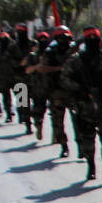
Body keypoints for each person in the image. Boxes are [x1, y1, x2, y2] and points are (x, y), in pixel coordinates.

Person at [61, 26, 102, 185]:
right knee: (90, 137)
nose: (93, 42)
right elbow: (65, 79)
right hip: (86, 104)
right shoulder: (77, 60)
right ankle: (92, 167)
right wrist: (81, 89)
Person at [40, 27, 74, 157]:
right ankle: (64, 145)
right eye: (60, 37)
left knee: (79, 120)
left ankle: (82, 146)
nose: (63, 40)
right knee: (58, 121)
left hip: (73, 91)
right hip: (56, 91)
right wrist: (59, 68)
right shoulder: (50, 52)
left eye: (65, 37)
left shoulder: (74, 51)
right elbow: (42, 68)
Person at [24, 31, 52, 140]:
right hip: (37, 87)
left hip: (51, 86)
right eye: (41, 39)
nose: (43, 41)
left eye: (45, 39)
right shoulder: (32, 56)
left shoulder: (51, 54)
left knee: (56, 112)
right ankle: (37, 125)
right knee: (38, 110)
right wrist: (38, 65)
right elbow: (27, 70)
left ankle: (57, 135)